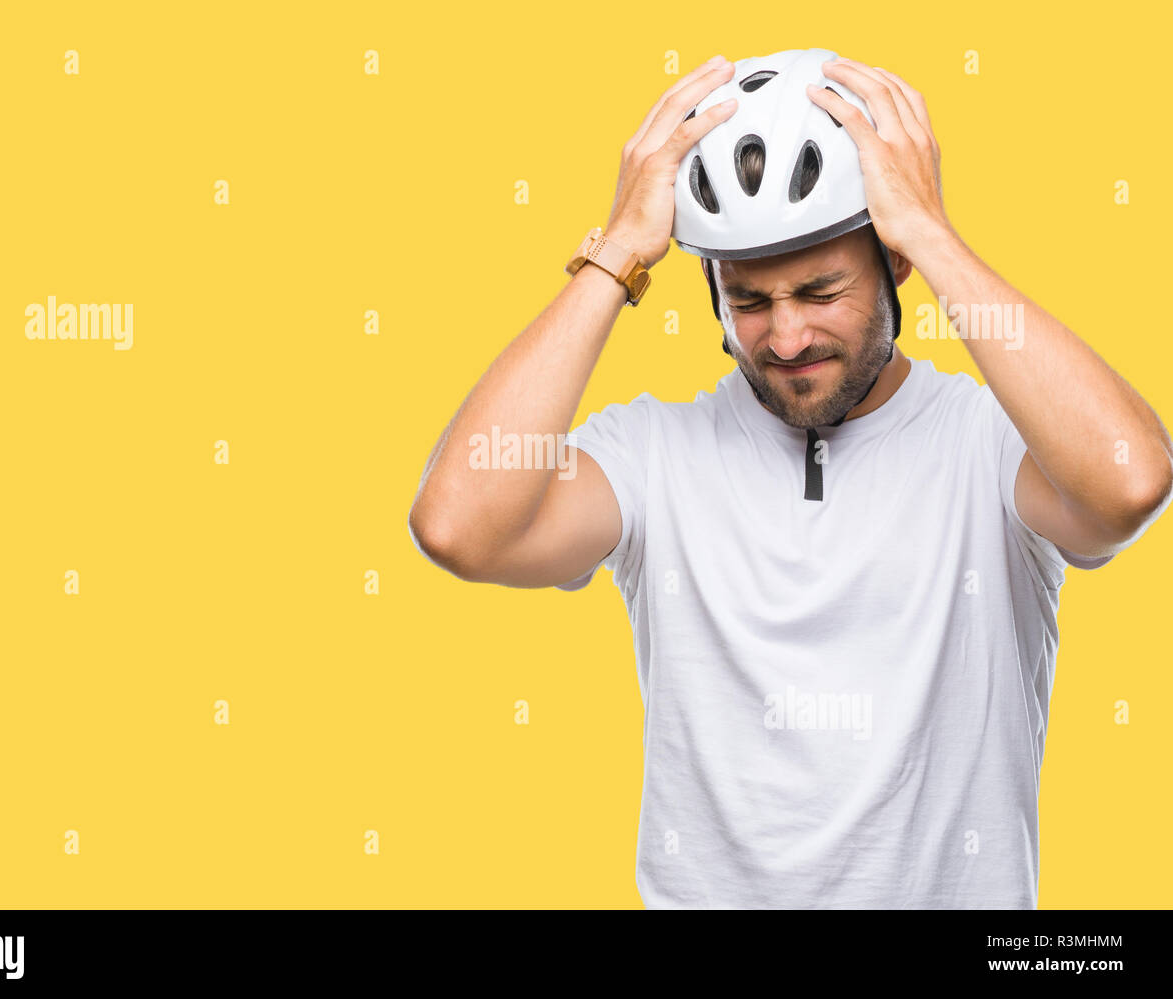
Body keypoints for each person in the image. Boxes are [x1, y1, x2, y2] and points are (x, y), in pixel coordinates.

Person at [407, 47, 1173, 908]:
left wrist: (929, 229)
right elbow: (457, 526)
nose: (785, 339)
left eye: (820, 290)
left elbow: (1131, 482)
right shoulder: (656, 452)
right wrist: (616, 250)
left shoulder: (992, 445)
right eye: (750, 300)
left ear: (894, 266)